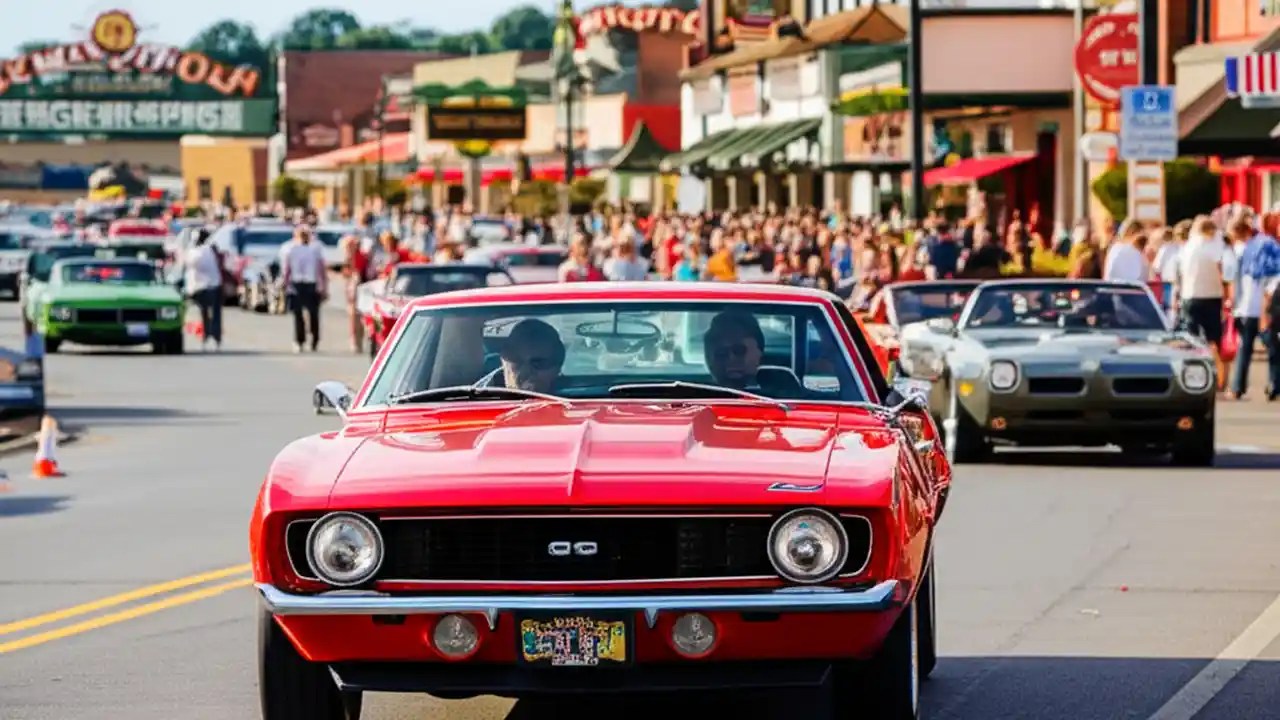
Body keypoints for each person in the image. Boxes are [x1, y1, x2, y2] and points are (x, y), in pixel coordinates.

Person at [1175, 215, 1235, 391]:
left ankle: (1190, 378)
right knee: (1214, 340)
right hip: (1212, 297)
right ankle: (1219, 379)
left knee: (1190, 339)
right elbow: (1224, 273)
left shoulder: (1187, 248)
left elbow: (1179, 274)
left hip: (1189, 297)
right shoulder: (1215, 247)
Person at [1229, 212, 1280, 399]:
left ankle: (1237, 387)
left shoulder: (1247, 249)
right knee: (1273, 346)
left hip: (1250, 306)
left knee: (1246, 347)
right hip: (1267, 303)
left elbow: (1241, 280)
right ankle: (1274, 384)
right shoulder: (1267, 245)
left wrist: (1235, 306)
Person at [702, 310, 802, 396]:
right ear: (709, 359)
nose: (730, 359)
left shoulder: (788, 398)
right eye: (721, 353)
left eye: (739, 350)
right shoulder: (692, 397)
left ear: (759, 351)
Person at [281, 226, 327, 353]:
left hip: (310, 283)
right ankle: (299, 340)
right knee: (298, 314)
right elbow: (287, 268)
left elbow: (321, 269)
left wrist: (323, 286)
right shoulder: (292, 250)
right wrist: (285, 282)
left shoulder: (314, 250)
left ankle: (314, 339)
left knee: (313, 314)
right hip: (297, 283)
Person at [499, 319, 566, 394]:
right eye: (517, 362)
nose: (526, 372)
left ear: (557, 368)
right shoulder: (485, 397)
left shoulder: (576, 400)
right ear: (504, 363)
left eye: (538, 364)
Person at [183, 228, 223, 351]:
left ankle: (207, 337)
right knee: (214, 315)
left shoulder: (197, 252)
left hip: (202, 287)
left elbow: (189, 263)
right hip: (214, 285)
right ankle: (214, 338)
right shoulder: (210, 250)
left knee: (204, 314)